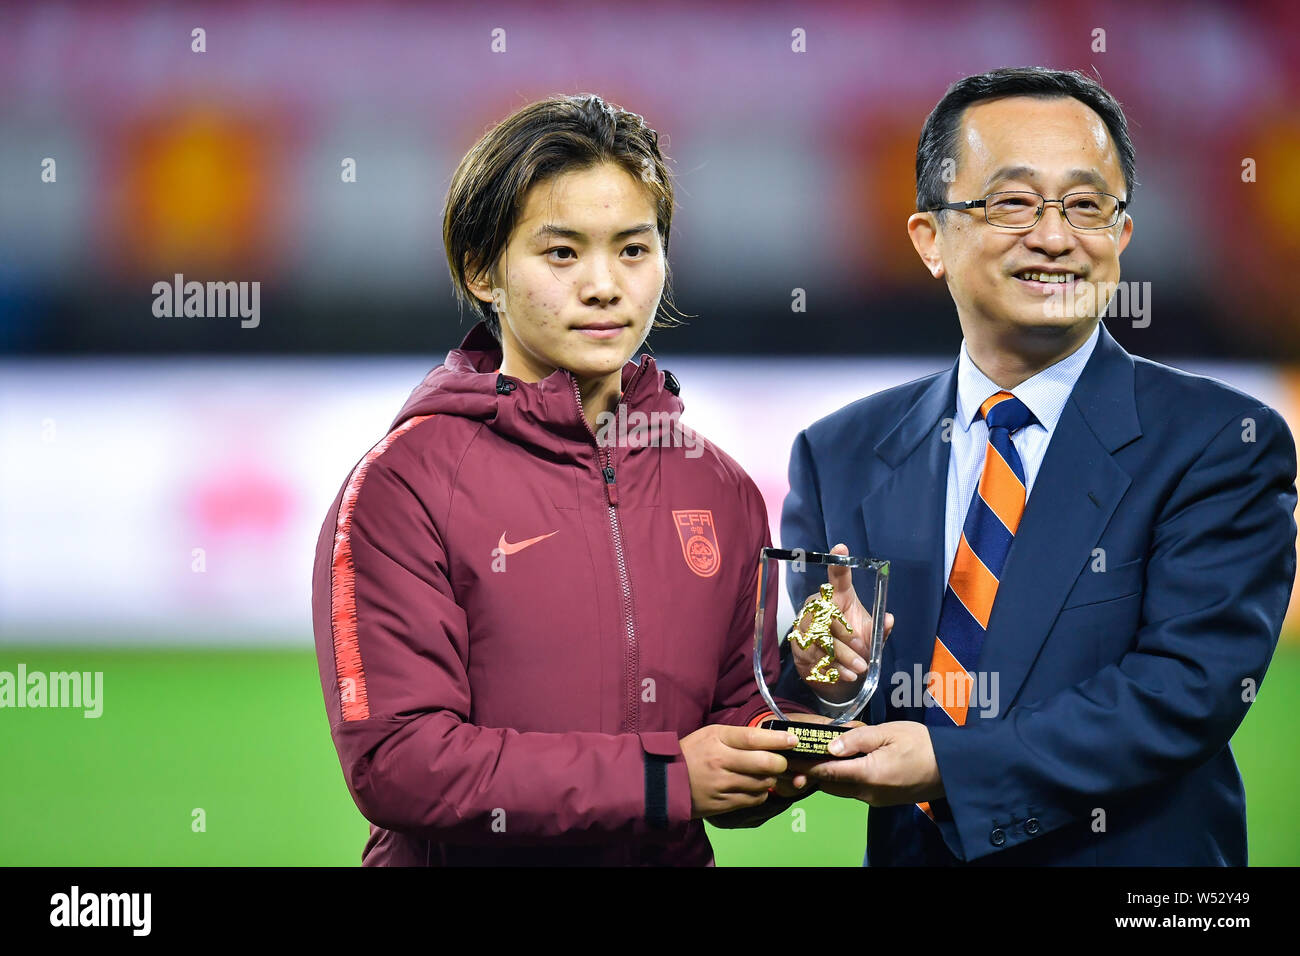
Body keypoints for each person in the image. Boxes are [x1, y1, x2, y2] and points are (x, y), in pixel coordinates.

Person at [775, 67, 1298, 865]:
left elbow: (1186, 691)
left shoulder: (1223, 441)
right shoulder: (837, 453)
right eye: (1013, 202)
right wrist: (824, 674)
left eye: (1086, 205)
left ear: (1120, 239)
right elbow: (823, 691)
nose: (1054, 236)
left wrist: (951, 766)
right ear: (930, 240)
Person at [310, 93, 814, 866]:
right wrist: (664, 780)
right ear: (483, 270)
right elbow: (399, 764)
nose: (605, 285)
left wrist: (817, 695)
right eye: (562, 252)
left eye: (634, 251)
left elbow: (738, 747)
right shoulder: (405, 485)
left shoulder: (723, 490)